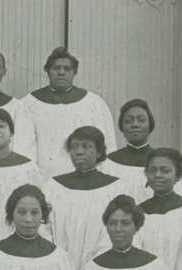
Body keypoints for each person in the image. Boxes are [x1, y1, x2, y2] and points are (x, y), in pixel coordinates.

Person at [20, 46, 116, 180]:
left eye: (67, 69)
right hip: (43, 178)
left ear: (74, 72)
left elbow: (108, 146)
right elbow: (23, 148)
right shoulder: (28, 104)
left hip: (85, 178)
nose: (61, 72)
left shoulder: (93, 103)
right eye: (56, 68)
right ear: (47, 71)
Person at [43, 125, 122, 270]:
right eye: (74, 147)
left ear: (99, 152)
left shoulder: (116, 188)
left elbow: (118, 229)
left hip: (101, 266)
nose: (79, 152)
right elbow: (44, 226)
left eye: (86, 147)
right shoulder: (53, 187)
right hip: (59, 265)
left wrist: (97, 264)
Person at [98, 98, 157, 198]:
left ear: (150, 125)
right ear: (122, 127)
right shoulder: (108, 164)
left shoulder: (165, 162)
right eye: (128, 121)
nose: (135, 124)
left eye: (141, 120)